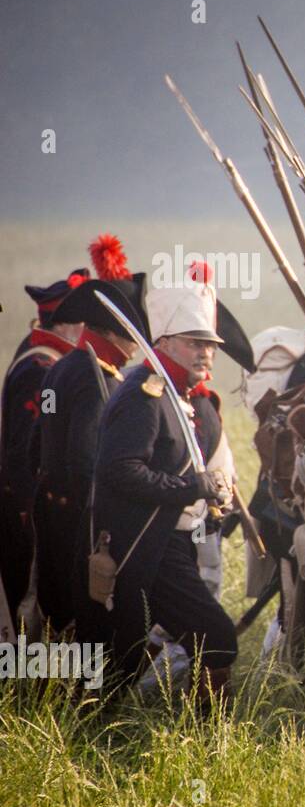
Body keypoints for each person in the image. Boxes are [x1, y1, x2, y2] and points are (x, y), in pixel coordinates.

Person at [92, 273, 237, 706]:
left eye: (209, 343)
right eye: (195, 342)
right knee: (215, 636)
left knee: (135, 652)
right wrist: (191, 487)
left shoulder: (190, 400)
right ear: (168, 342)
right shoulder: (143, 395)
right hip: (142, 544)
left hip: (172, 545)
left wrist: (215, 495)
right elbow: (120, 471)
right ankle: (212, 735)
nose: (206, 351)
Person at [31, 255, 145, 634]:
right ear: (114, 332)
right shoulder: (98, 379)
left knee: (57, 611)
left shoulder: (60, 369)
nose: (137, 344)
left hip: (51, 510)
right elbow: (84, 460)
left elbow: (39, 439)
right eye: (133, 333)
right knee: (86, 622)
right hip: (80, 520)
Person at [0, 271, 86, 631]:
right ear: (69, 324)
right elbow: (24, 449)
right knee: (27, 605)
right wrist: (29, 510)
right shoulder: (41, 368)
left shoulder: (44, 358)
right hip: (25, 510)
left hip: (31, 506)